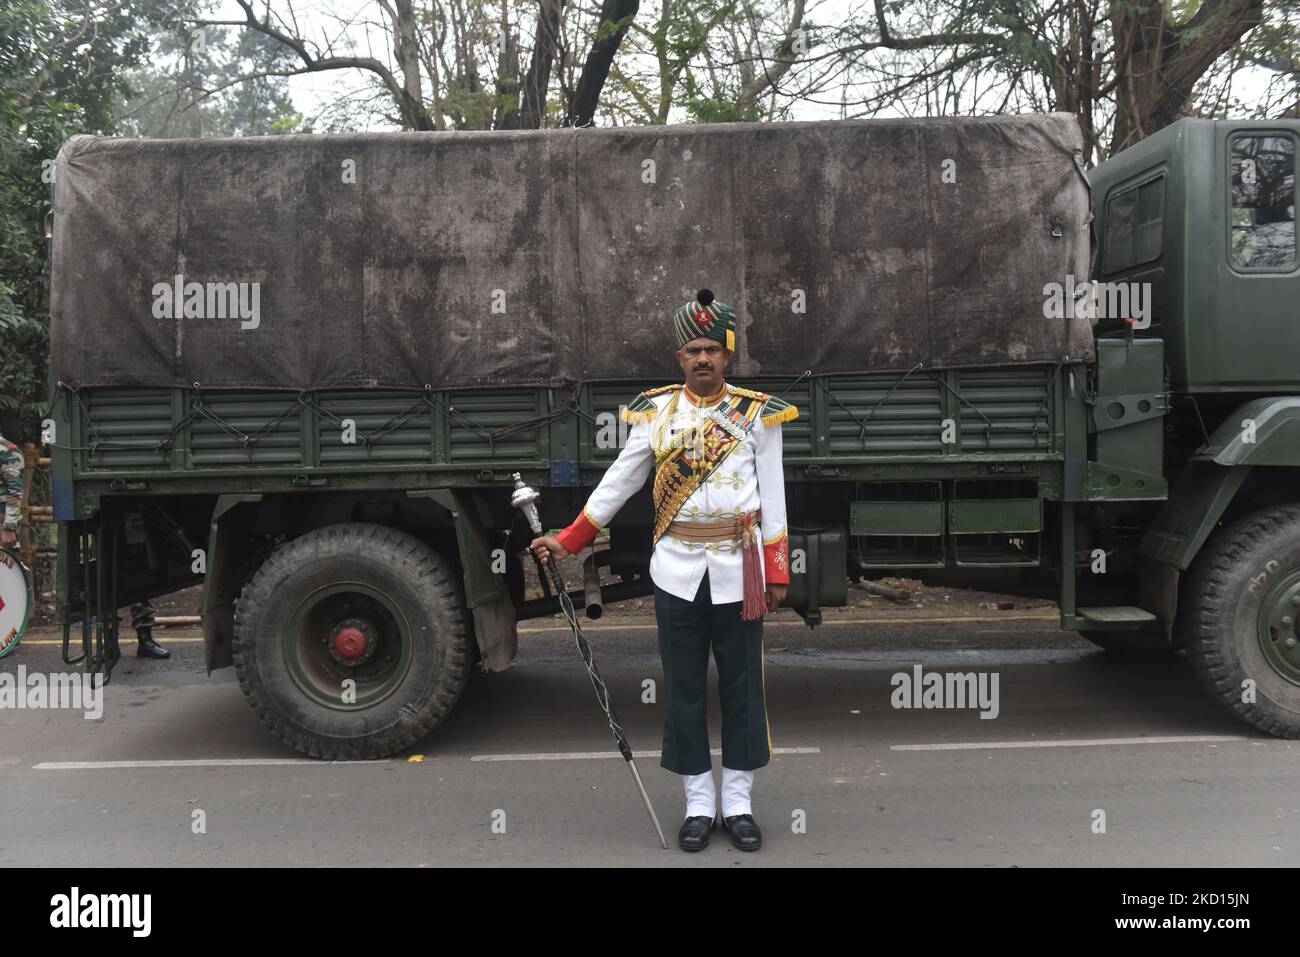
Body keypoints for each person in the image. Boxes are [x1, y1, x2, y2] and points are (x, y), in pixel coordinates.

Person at [531, 289, 798, 853]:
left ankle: (740, 803)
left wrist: (777, 573)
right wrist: (571, 540)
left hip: (740, 572)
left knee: (743, 688)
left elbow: (773, 498)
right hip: (677, 572)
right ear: (679, 358)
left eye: (711, 350)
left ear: (728, 355)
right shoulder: (655, 412)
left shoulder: (757, 415)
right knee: (682, 691)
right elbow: (619, 483)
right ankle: (699, 805)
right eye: (691, 351)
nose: (702, 360)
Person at [1, 432, 23, 551]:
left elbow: (14, 492)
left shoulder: (6, 451)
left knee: (7, 566)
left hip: (2, 522)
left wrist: (9, 527)